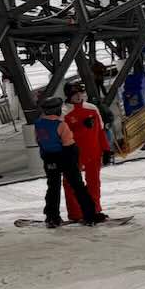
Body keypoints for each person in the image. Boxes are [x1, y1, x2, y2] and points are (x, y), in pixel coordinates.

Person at [35, 100, 104, 228]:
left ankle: (52, 216)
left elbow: (38, 141)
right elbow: (68, 144)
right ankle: (90, 214)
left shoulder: (39, 124)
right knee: (78, 186)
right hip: (65, 157)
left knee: (53, 187)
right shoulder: (61, 125)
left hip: (49, 159)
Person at [61, 83, 111, 220]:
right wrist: (81, 127)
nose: (78, 96)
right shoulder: (64, 113)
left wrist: (106, 149)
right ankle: (76, 213)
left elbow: (100, 131)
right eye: (75, 94)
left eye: (80, 93)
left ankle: (95, 210)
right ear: (68, 95)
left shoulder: (92, 108)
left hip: (94, 151)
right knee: (71, 184)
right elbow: (63, 136)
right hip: (73, 154)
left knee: (94, 182)